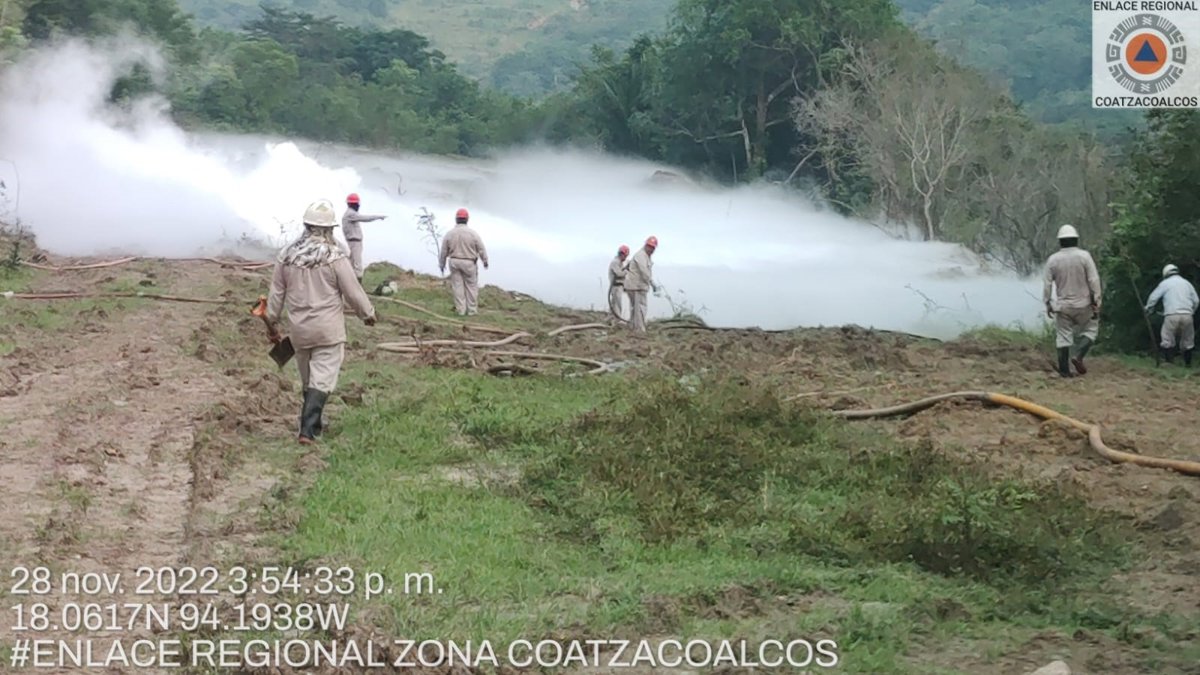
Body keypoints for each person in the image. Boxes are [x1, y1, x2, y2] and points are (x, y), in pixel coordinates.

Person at [267, 199, 378, 444]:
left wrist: (272, 320)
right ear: (329, 229)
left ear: (306, 226)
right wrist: (367, 314)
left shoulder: (286, 255)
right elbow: (353, 292)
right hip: (328, 329)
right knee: (323, 379)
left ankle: (314, 425)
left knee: (308, 379)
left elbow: (276, 292)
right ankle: (307, 431)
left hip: (299, 330)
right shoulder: (335, 256)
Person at [1042, 224, 1102, 378]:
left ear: (1060, 241)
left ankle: (1064, 370)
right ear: (1076, 239)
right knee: (1091, 330)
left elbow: (1047, 284)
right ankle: (1078, 355)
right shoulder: (1084, 256)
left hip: (1063, 307)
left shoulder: (1053, 260)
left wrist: (1048, 302)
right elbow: (1093, 279)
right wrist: (1096, 299)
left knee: (1063, 336)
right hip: (1085, 304)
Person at [1144, 263, 1199, 365]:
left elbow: (1153, 298)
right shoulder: (1187, 283)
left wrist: (1148, 309)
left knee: (1167, 338)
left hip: (1171, 315)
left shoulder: (1165, 283)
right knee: (1188, 341)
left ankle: (1169, 362)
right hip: (1187, 314)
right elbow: (1196, 300)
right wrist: (1191, 311)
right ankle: (1188, 364)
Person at [438, 207, 489, 315]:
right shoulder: (473, 234)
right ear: (467, 220)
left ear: (456, 219)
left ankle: (460, 310)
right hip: (469, 263)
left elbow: (443, 251)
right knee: (471, 287)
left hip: (454, 261)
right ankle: (472, 310)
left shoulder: (450, 234)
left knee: (457, 286)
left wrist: (441, 264)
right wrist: (485, 261)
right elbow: (481, 248)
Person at [341, 193, 387, 283]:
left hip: (353, 242)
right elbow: (366, 218)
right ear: (352, 204)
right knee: (357, 265)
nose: (358, 206)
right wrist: (378, 217)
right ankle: (358, 286)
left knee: (352, 263)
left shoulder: (350, 214)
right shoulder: (351, 214)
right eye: (356, 204)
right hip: (354, 242)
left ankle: (349, 284)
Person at [623, 236, 658, 332]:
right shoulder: (641, 255)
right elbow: (644, 272)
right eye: (650, 246)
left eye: (653, 247)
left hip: (635, 286)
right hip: (636, 286)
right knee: (640, 308)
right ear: (646, 245)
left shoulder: (645, 256)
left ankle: (633, 326)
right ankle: (639, 330)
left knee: (635, 308)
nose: (651, 249)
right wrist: (652, 283)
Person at [608, 245, 629, 320]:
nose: (625, 258)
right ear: (622, 254)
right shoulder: (615, 262)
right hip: (615, 286)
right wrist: (626, 271)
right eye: (625, 256)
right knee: (617, 304)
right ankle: (617, 320)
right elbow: (619, 274)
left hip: (619, 286)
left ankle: (612, 318)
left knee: (615, 303)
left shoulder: (620, 263)